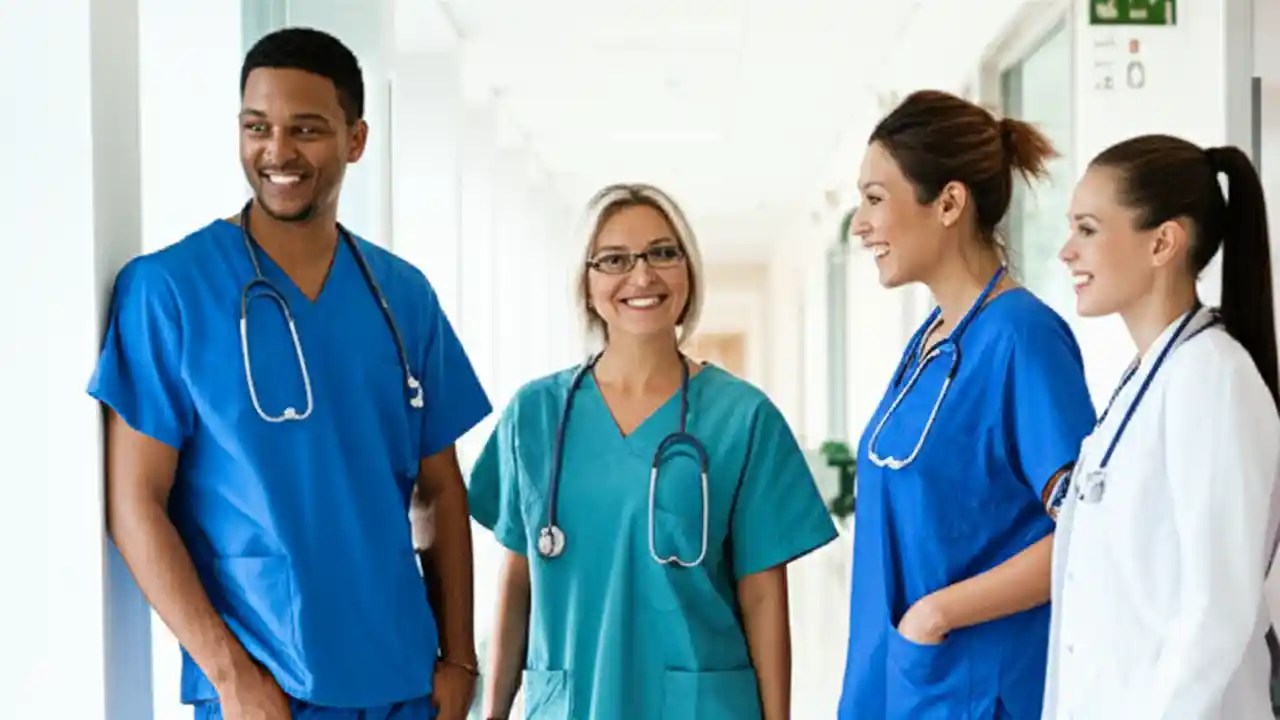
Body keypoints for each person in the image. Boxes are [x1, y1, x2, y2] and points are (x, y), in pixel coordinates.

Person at [87, 27, 491, 720]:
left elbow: (439, 491)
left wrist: (458, 658)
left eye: (306, 129)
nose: (277, 152)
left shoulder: (403, 295)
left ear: (355, 140)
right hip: (266, 690)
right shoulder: (169, 291)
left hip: (404, 682)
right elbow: (135, 504)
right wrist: (231, 675)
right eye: (257, 127)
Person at [467, 183, 839, 719]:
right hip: (573, 704)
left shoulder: (742, 417)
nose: (642, 276)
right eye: (614, 259)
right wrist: (494, 712)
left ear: (689, 270)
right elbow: (518, 578)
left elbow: (762, 595)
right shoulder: (535, 414)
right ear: (585, 281)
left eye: (663, 253)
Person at [837, 89, 1097, 719]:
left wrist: (936, 613)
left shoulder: (1020, 337)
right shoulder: (931, 340)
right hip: (905, 678)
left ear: (949, 202)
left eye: (875, 198)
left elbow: (1087, 533)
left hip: (977, 685)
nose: (860, 223)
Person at [1044, 134, 1280, 718]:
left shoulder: (1212, 378)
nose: (1067, 252)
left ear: (1163, 243)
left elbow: (1216, 612)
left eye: (1088, 229)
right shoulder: (1149, 376)